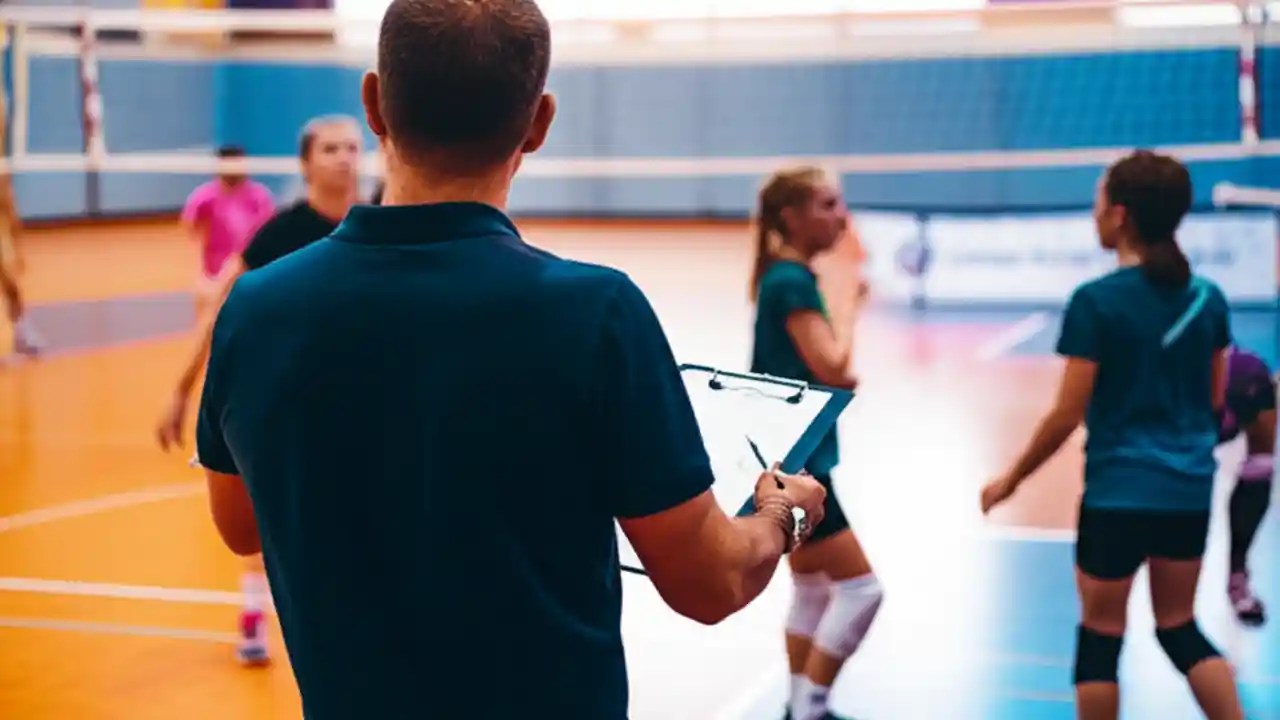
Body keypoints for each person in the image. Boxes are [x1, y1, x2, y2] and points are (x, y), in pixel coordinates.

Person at [193, 1, 829, 718]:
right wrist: (783, 513)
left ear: (373, 103)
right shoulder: (597, 314)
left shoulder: (256, 309)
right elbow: (709, 583)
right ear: (539, 122)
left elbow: (239, 525)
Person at [981, 150, 1244, 720]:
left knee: (1100, 639)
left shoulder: (1095, 303)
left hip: (1115, 495)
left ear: (1120, 215)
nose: (1093, 214)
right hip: (1188, 493)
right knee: (1180, 627)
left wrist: (1010, 479)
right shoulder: (1209, 300)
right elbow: (1215, 404)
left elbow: (1065, 415)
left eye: (1099, 202)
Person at [157, 114, 363, 666]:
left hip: (366, 405)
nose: (344, 157)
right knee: (266, 512)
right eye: (330, 148)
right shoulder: (281, 234)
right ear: (305, 163)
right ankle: (254, 616)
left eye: (352, 146)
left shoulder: (382, 224)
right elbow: (223, 307)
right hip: (297, 403)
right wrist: (181, 390)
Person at [748, 166, 881, 720]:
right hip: (800, 468)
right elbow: (834, 367)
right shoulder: (792, 282)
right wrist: (852, 302)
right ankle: (812, 706)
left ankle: (800, 706)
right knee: (862, 590)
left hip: (790, 458)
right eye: (826, 204)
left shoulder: (785, 277)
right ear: (792, 217)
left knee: (813, 591)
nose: (840, 215)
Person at [179, 145, 275, 318]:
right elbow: (190, 227)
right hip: (215, 276)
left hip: (251, 274)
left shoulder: (259, 196)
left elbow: (269, 232)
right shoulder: (204, 197)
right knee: (211, 325)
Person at [1217, 344, 1276, 626]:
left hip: (1235, 394)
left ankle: (1237, 574)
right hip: (1163, 430)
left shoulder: (1247, 373)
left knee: (1261, 465)